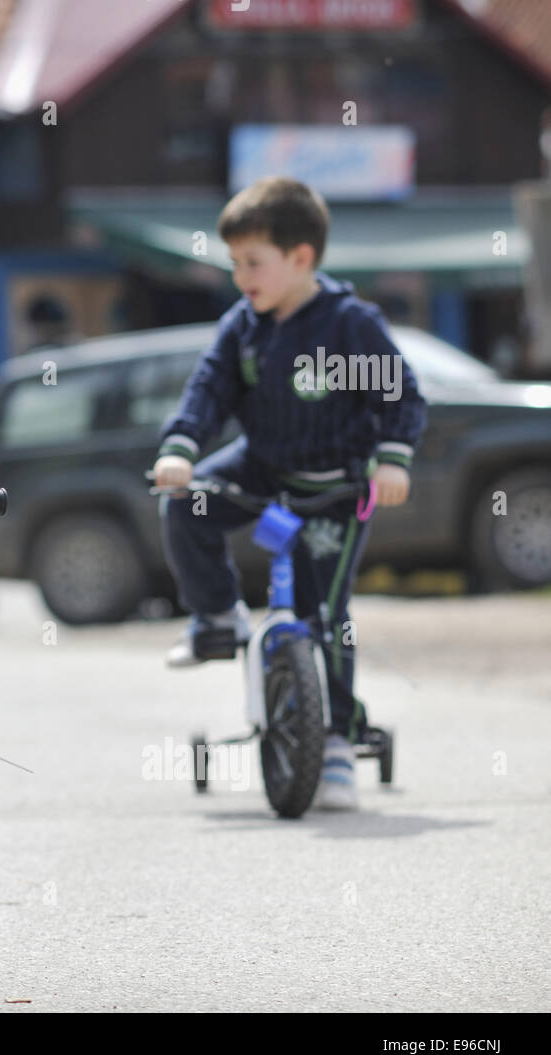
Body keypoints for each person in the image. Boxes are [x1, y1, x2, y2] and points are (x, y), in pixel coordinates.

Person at [151, 176, 427, 811]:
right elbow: (207, 390)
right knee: (185, 504)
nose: (241, 277)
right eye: (234, 264)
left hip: (337, 485)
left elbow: (401, 395)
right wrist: (180, 447)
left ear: (301, 257)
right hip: (264, 464)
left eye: (254, 262)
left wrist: (392, 459)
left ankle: (334, 742)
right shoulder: (244, 326)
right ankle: (218, 616)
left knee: (323, 614)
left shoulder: (350, 323)